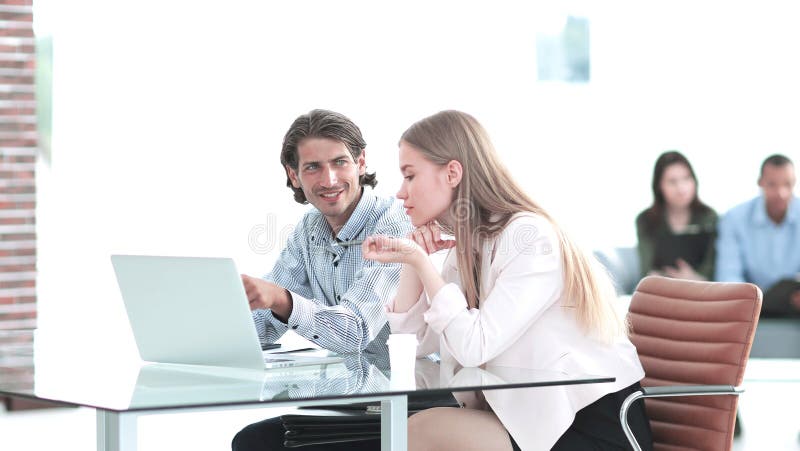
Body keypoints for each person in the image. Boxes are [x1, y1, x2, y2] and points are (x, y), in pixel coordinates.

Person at [363, 110, 653, 450]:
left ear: (452, 173)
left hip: (587, 427)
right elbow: (413, 343)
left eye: (410, 176)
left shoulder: (529, 237)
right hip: (527, 420)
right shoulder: (470, 245)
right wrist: (413, 258)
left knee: (419, 432)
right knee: (412, 429)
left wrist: (419, 263)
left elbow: (474, 346)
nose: (400, 193)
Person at [232, 109, 412, 451]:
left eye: (340, 162)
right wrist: (214, 326)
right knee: (252, 441)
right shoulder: (309, 230)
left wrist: (281, 299)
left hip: (404, 404)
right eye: (313, 167)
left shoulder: (395, 223)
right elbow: (266, 324)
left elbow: (354, 332)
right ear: (294, 174)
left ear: (361, 162)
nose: (329, 180)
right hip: (348, 400)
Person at [716, 154, 800, 317]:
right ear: (760, 182)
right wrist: (749, 297)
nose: (781, 193)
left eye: (787, 184)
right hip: (748, 312)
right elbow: (727, 277)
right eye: (772, 184)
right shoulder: (734, 219)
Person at [635, 151, 717, 281]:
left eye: (686, 178)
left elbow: (713, 268)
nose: (681, 188)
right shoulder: (645, 220)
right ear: (659, 186)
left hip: (701, 290)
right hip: (661, 289)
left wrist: (694, 278)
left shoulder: (709, 217)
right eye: (672, 182)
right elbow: (646, 269)